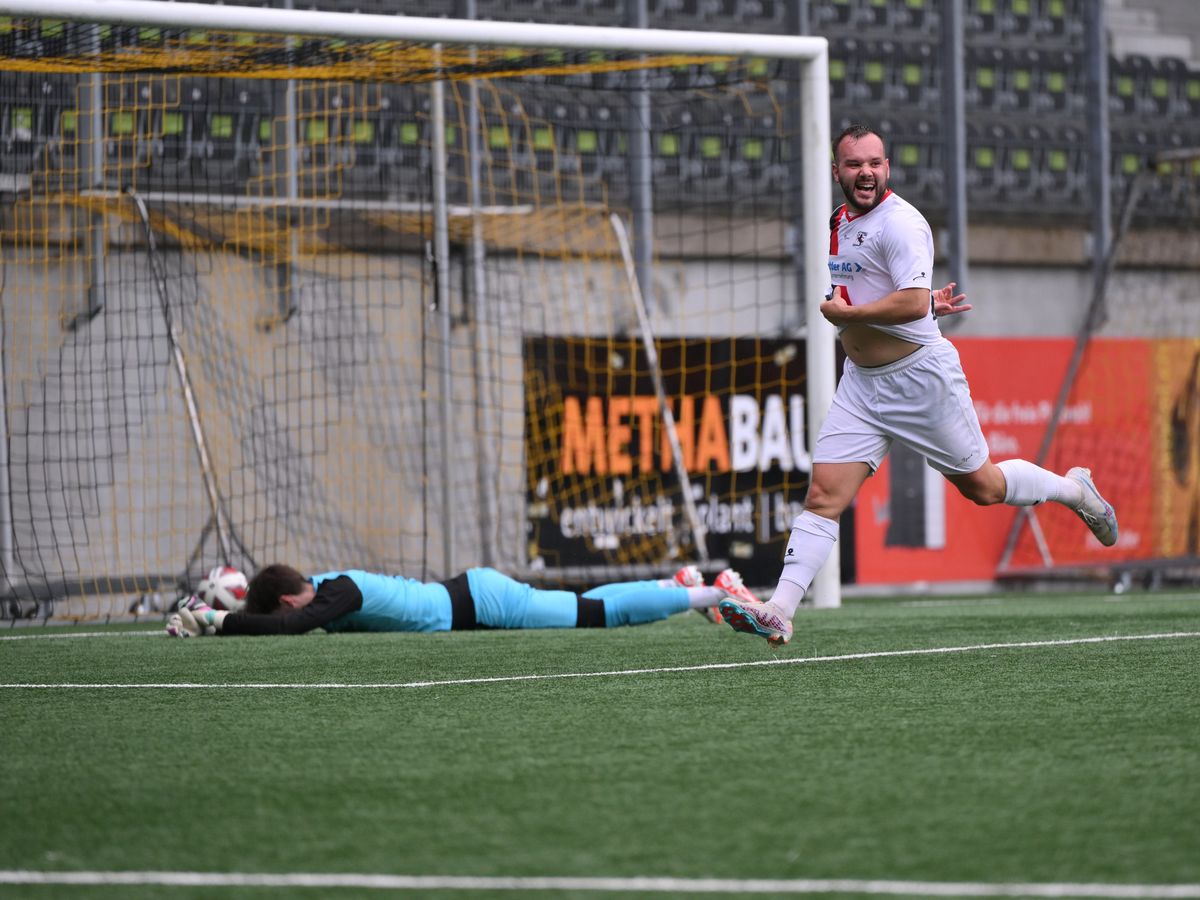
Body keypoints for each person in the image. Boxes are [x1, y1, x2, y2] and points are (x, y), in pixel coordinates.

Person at [719, 123, 1119, 648]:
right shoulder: (839, 220)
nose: (866, 172)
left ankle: (1075, 490)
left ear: (887, 167)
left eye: (875, 163)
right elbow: (870, 292)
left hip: (920, 378)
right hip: (861, 385)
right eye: (854, 164)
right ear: (837, 171)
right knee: (822, 496)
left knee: (984, 488)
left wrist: (859, 314)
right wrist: (875, 307)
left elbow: (910, 300)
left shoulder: (903, 223)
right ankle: (780, 610)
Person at [165, 562, 759, 637]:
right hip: (472, 598)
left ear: (287, 601)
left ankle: (713, 589)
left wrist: (215, 619)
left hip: (483, 603)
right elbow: (288, 619)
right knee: (585, 603)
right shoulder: (324, 585)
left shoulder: (333, 595)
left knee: (597, 615)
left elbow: (290, 628)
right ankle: (678, 585)